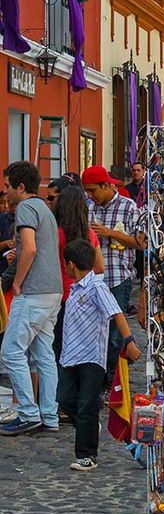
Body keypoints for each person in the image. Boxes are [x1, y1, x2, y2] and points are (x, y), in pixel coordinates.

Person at [58, 239, 141, 471]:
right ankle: (89, 427)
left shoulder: (97, 287)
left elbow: (117, 313)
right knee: (64, 399)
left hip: (91, 356)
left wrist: (129, 341)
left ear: (71, 264)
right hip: (70, 355)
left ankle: (87, 455)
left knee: (87, 404)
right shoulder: (75, 289)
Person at [0, 161, 63, 436]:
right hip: (53, 290)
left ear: (21, 186)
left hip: (34, 291)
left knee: (11, 352)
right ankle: (49, 414)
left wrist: (17, 281)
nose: (5, 191)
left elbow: (30, 248)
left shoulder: (26, 208)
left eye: (8, 186)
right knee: (43, 355)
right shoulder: (44, 209)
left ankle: (27, 412)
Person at [81, 165, 143, 389]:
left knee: (116, 336)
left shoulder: (128, 207)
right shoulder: (88, 208)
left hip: (118, 278)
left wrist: (110, 233)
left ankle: (111, 385)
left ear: (106, 185)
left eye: (93, 190)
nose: (90, 195)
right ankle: (95, 383)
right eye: (87, 191)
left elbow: (140, 243)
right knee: (93, 333)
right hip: (91, 280)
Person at [53, 187, 105, 360]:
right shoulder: (89, 234)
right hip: (84, 297)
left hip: (60, 295)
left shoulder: (56, 234)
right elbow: (100, 267)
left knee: (57, 347)